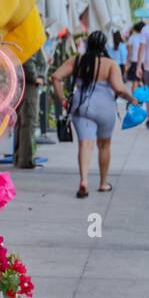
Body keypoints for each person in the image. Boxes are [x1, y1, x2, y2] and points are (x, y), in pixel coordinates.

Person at [51, 30, 136, 198]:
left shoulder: (78, 60)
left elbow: (55, 77)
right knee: (104, 146)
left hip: (82, 107)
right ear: (104, 45)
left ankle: (83, 180)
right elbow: (119, 89)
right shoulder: (110, 64)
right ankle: (103, 183)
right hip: (105, 107)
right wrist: (131, 98)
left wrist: (62, 98)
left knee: (85, 144)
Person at [125, 21, 145, 88]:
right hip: (145, 62)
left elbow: (129, 51)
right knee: (144, 82)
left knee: (135, 82)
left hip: (134, 61)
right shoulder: (147, 37)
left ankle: (134, 98)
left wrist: (128, 61)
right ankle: (144, 97)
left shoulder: (132, 37)